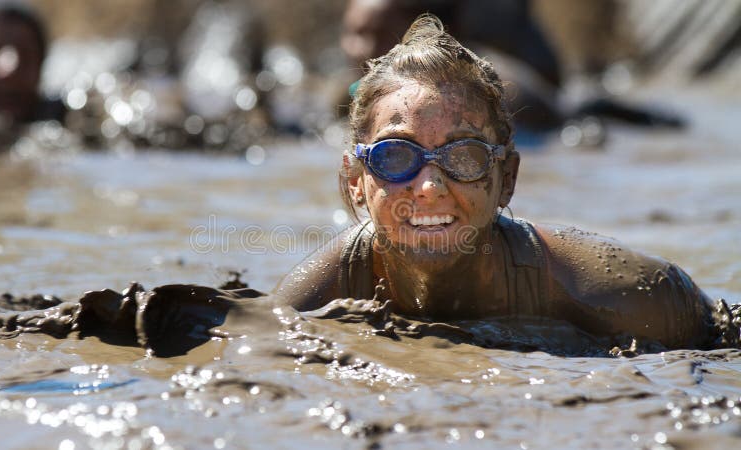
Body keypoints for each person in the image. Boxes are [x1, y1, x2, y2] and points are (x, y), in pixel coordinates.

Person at [276, 15, 717, 349]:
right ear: (355, 180)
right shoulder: (320, 292)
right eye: (396, 157)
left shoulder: (613, 294)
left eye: (463, 157)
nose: (429, 187)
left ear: (506, 179)